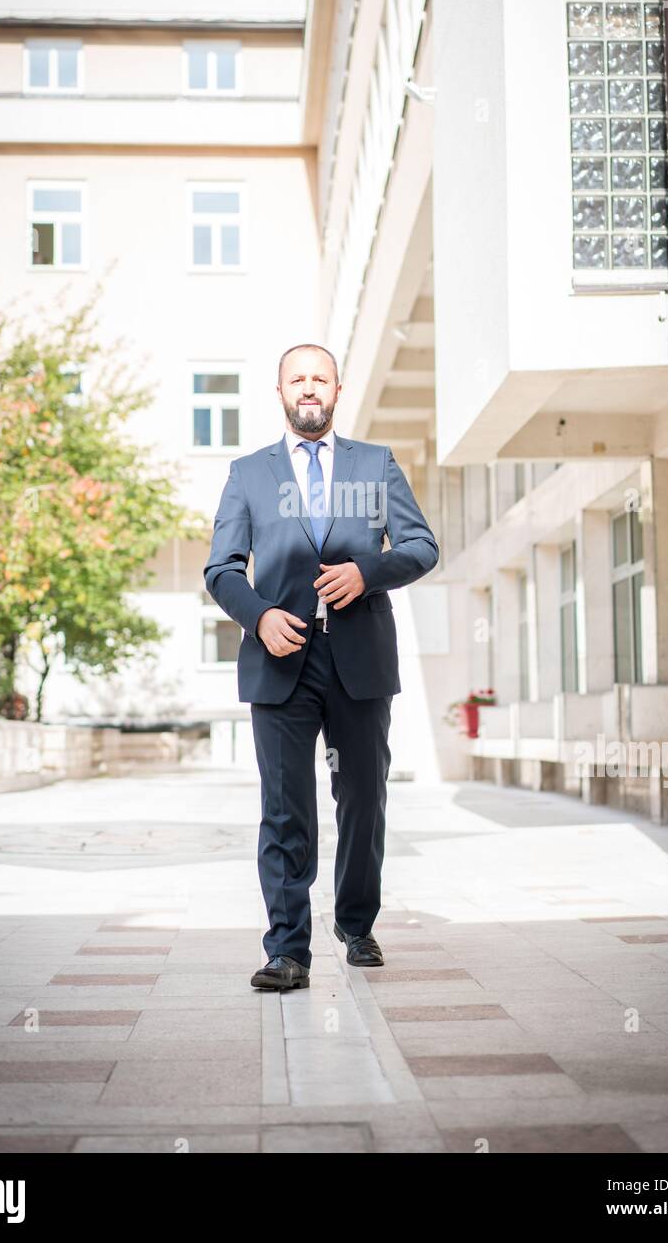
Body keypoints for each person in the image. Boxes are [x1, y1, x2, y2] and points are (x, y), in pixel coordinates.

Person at [204, 343, 440, 990]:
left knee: (362, 798)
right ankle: (287, 950)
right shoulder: (248, 474)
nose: (308, 388)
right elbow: (220, 569)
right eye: (296, 379)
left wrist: (368, 572)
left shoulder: (375, 463)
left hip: (359, 660)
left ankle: (357, 925)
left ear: (337, 390)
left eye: (320, 378)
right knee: (285, 808)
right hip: (279, 662)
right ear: (280, 392)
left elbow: (421, 546)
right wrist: (258, 616)